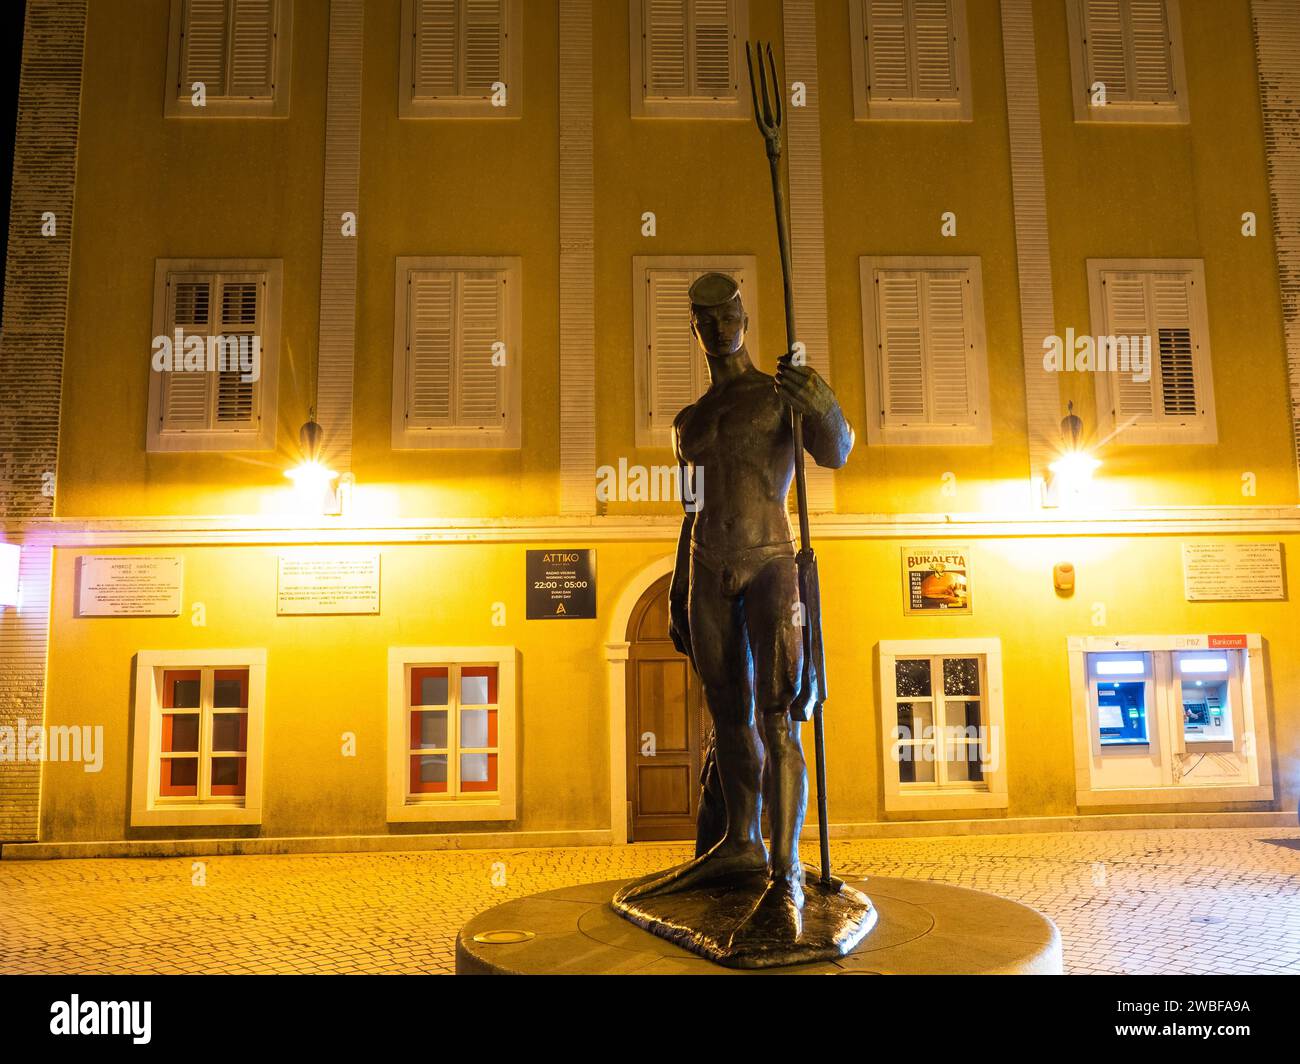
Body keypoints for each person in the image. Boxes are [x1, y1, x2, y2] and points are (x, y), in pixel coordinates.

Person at [616, 272, 854, 943]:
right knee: (729, 719)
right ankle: (739, 842)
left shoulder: (781, 395)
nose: (720, 328)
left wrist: (826, 404)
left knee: (778, 720)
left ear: (745, 317)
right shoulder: (688, 422)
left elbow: (836, 451)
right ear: (694, 329)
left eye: (730, 315)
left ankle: (786, 875)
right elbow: (691, 510)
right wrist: (678, 586)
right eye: (707, 319)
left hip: (771, 560)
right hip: (705, 567)